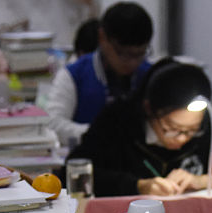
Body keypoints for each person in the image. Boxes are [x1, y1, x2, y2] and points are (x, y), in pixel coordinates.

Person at [68, 58, 212, 197]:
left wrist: (204, 180)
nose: (182, 138)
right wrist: (138, 186)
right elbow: (74, 173)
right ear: (149, 109)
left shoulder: (206, 132)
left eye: (192, 130)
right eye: (171, 128)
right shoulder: (117, 123)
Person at [42, 1, 152, 146]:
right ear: (102, 38)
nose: (132, 63)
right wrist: (100, 133)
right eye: (123, 54)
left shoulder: (151, 75)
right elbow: (53, 125)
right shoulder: (74, 74)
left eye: (139, 54)